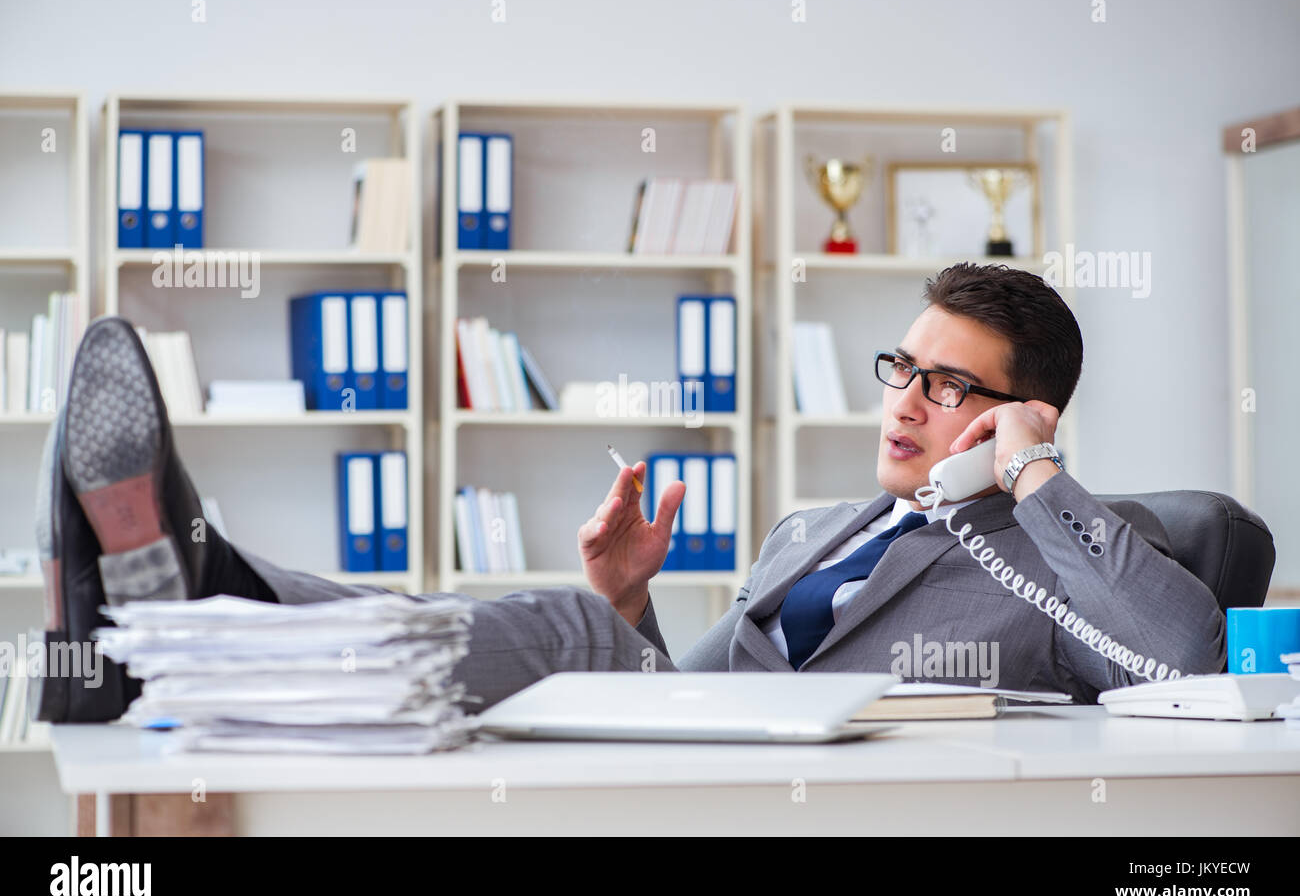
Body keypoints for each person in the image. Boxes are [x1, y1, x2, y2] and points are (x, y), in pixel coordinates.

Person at [37, 264, 1224, 720]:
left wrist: (1030, 471)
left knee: (556, 632)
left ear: (1026, 412)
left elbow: (1181, 657)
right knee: (529, 613)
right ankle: (171, 616)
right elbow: (686, 692)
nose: (904, 400)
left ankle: (190, 607)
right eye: (900, 368)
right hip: (701, 754)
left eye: (949, 384)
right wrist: (627, 602)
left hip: (801, 794)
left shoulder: (1071, 547)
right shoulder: (814, 529)